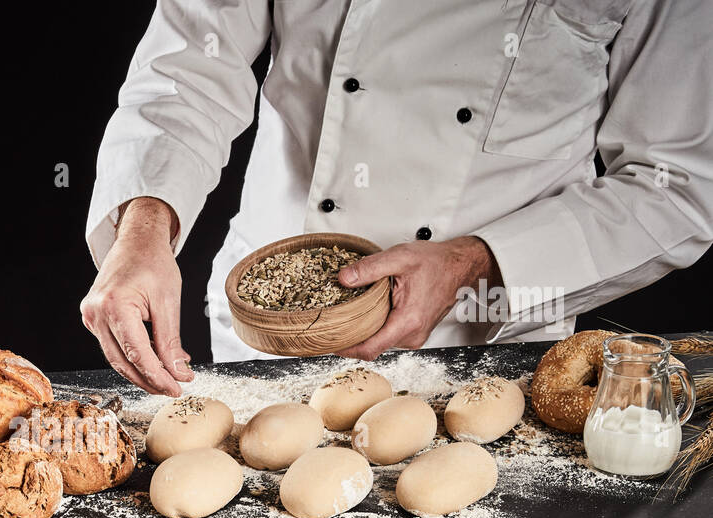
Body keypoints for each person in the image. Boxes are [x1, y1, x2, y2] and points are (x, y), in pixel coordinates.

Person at [81, 0, 713, 397]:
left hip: (478, 343)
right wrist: (142, 234)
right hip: (268, 334)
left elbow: (676, 183)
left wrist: (474, 263)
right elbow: (187, 68)